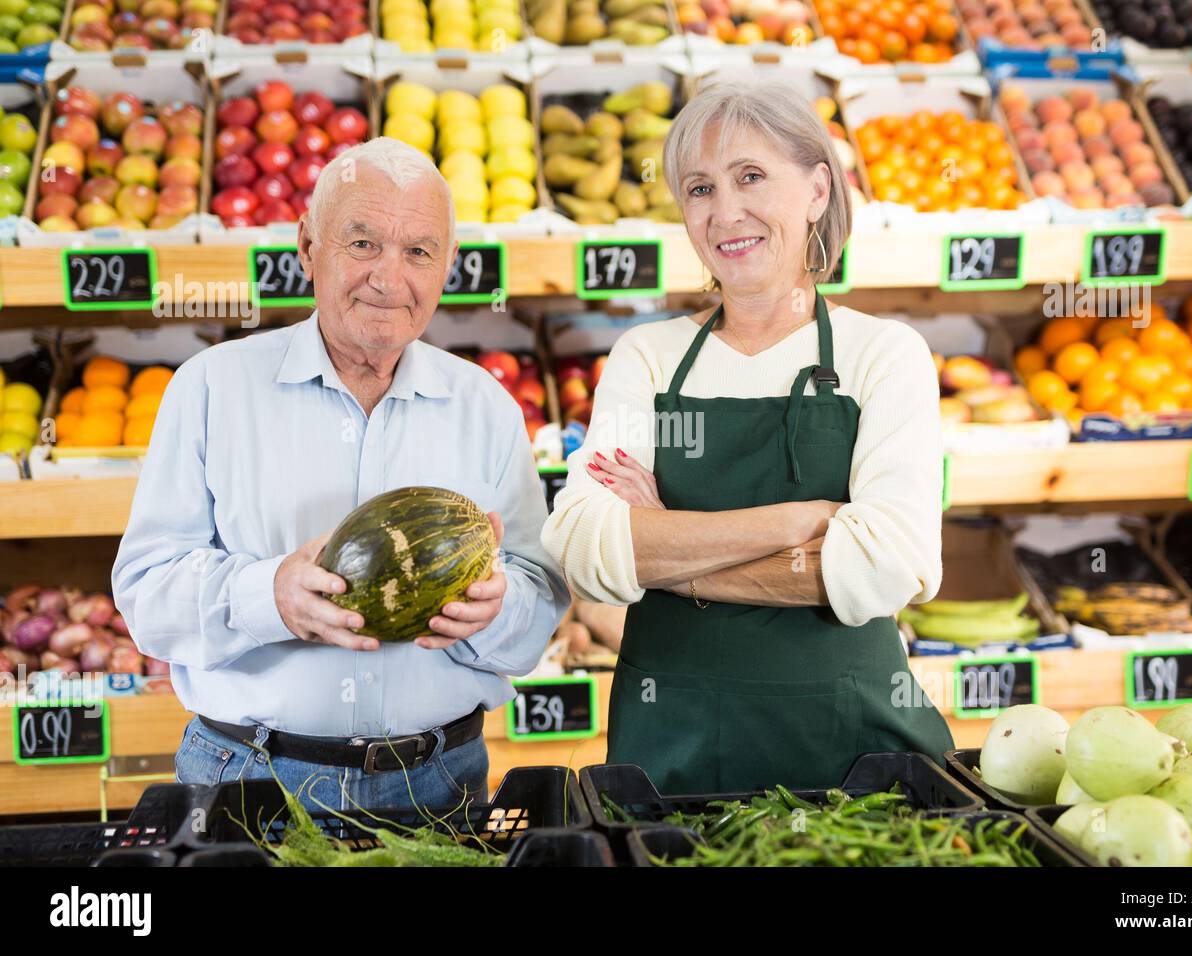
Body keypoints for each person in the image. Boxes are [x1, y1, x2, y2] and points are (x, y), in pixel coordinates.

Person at [112, 137, 568, 810]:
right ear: (307, 246)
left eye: (418, 251)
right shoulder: (211, 388)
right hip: (248, 780)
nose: (389, 277)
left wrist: (495, 611)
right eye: (362, 244)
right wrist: (272, 597)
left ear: (446, 266)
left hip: (440, 784)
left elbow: (537, 602)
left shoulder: (486, 408)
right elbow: (147, 594)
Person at [541, 83, 953, 794]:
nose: (725, 211)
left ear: (818, 188)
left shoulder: (884, 354)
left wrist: (666, 548)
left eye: (751, 177)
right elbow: (583, 549)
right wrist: (801, 522)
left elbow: (889, 563)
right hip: (670, 748)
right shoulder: (648, 357)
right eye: (700, 188)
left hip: (857, 753)